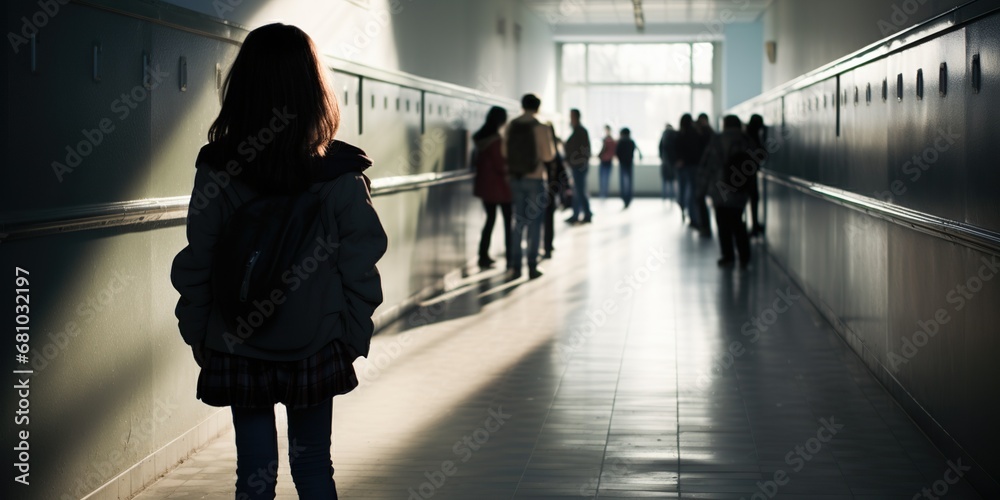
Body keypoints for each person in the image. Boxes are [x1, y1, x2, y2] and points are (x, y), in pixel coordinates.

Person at [170, 23, 387, 500]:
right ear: (314, 90)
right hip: (316, 343)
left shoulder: (218, 168)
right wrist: (351, 335)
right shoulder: (340, 176)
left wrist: (199, 332)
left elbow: (198, 258)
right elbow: (361, 264)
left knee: (254, 473)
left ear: (242, 88)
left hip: (236, 343)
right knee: (312, 468)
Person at [504, 93, 556, 280]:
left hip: (516, 178)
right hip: (535, 178)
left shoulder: (512, 125)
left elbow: (504, 152)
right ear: (538, 107)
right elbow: (549, 155)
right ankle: (532, 265)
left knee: (518, 222)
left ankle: (515, 266)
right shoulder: (541, 126)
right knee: (535, 223)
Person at [702, 115, 754, 267]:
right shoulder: (746, 140)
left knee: (723, 223)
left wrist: (703, 188)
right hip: (741, 188)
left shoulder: (717, 140)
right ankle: (744, 256)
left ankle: (728, 256)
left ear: (724, 125)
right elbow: (757, 160)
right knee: (738, 221)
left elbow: (707, 164)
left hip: (720, 188)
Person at [472, 106, 513, 270]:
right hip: (501, 187)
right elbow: (501, 165)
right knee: (508, 222)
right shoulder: (496, 140)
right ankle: (511, 256)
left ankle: (483, 255)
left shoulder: (480, 138)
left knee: (490, 220)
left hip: (485, 187)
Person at [564, 109, 592, 224]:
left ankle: (586, 213)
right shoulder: (576, 131)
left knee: (580, 191)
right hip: (576, 165)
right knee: (577, 191)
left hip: (579, 166)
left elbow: (585, 150)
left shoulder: (581, 131)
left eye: (571, 116)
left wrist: (576, 161)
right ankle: (576, 214)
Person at [745, 114, 767, 237]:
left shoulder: (746, 133)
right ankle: (754, 225)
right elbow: (762, 154)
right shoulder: (753, 136)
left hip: (745, 172)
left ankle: (753, 225)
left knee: (750, 199)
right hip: (749, 173)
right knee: (753, 198)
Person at [615, 127, 642, 208]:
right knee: (629, 182)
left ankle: (625, 198)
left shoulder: (621, 142)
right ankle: (628, 199)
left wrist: (621, 159)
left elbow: (617, 152)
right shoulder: (631, 141)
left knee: (623, 182)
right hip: (629, 163)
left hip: (623, 164)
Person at [658, 123, 678, 203]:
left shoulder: (663, 136)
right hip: (672, 162)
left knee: (665, 180)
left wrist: (662, 158)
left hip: (665, 161)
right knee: (673, 180)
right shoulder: (674, 135)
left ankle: (665, 196)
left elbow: (660, 148)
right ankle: (673, 196)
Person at [597, 125, 616, 199]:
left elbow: (604, 149)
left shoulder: (607, 140)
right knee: (605, 178)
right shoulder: (612, 140)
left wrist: (599, 155)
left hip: (606, 161)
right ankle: (604, 193)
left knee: (603, 178)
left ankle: (603, 193)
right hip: (608, 160)